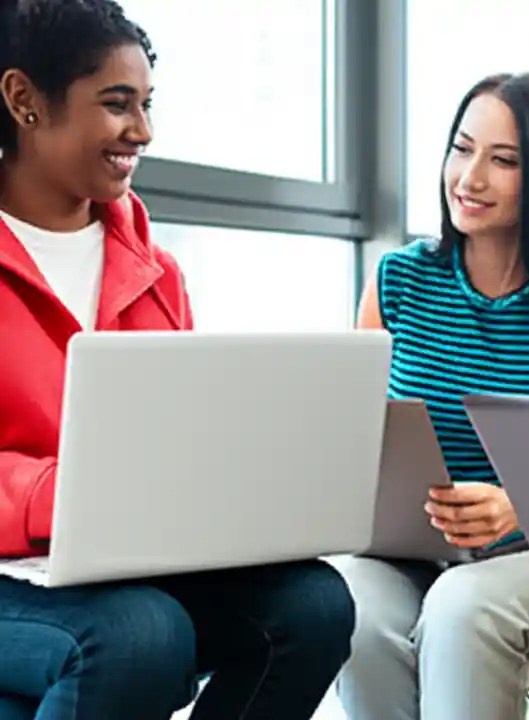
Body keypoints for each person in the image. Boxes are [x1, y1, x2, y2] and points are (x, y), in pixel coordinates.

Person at [0, 2, 356, 719]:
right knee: (141, 636)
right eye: (117, 104)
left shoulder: (157, 272)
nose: (144, 131)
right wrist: (60, 495)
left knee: (316, 603)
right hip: (17, 569)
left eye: (147, 105)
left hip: (117, 560)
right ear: (23, 101)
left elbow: (180, 435)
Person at [331, 72, 529, 720]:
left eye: (502, 160)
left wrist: (522, 507)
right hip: (411, 549)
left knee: (463, 606)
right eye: (461, 148)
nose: (469, 177)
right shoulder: (397, 281)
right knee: (350, 605)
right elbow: (360, 436)